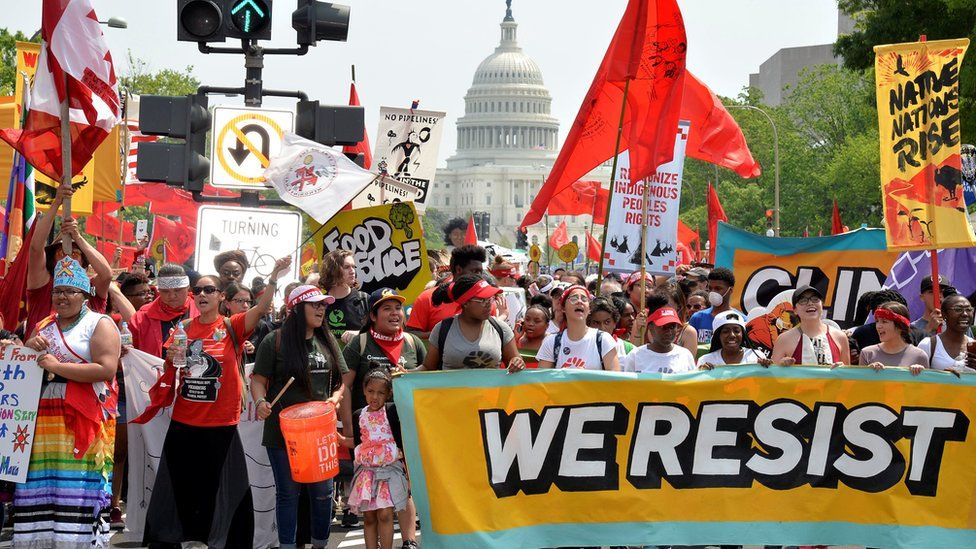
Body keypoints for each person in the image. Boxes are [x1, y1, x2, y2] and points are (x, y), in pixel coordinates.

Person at [137, 256, 291, 549]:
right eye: (199, 290)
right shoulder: (183, 327)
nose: (203, 294)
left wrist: (273, 277)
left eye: (210, 290)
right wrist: (172, 358)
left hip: (221, 426)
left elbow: (259, 308)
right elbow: (172, 361)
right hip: (185, 423)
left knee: (226, 492)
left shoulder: (232, 326)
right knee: (180, 490)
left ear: (222, 297)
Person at [18, 257, 121, 548]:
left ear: (84, 294)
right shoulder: (43, 325)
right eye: (57, 291)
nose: (62, 297)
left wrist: (56, 365)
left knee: (74, 482)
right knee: (46, 479)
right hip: (44, 416)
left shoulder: (99, 323)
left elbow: (106, 369)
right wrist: (28, 347)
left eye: (69, 291)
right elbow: (30, 365)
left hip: (82, 413)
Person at [251, 285, 347, 549]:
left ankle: (320, 544)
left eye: (323, 305)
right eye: (314, 304)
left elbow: (342, 381)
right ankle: (287, 546)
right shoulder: (275, 340)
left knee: (323, 493)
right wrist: (260, 401)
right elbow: (258, 380)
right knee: (288, 494)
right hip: (282, 433)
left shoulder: (327, 340)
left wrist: (335, 399)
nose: (321, 309)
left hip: (319, 432)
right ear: (297, 308)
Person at [341, 288, 422, 547]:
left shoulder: (413, 343)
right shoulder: (360, 343)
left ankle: (409, 541)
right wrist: (352, 431)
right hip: (372, 437)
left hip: (407, 429)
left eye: (398, 308)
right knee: (378, 502)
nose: (394, 313)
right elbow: (344, 387)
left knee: (405, 483)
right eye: (386, 308)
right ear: (373, 315)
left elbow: (428, 381)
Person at [26, 186, 112, 338]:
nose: (67, 256)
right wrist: (56, 202)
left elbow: (106, 274)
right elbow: (35, 248)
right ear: (52, 259)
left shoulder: (92, 289)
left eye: (75, 252)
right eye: (61, 252)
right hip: (40, 358)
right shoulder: (43, 285)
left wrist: (78, 237)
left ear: (85, 262)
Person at [339, 368, 411, 549]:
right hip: (366, 473)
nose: (375, 397)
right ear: (363, 390)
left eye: (381, 393)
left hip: (389, 471)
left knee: (385, 514)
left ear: (389, 394)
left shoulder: (392, 412)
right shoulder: (359, 415)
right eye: (370, 391)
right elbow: (358, 443)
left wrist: (409, 475)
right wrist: (339, 440)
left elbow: (403, 442)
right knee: (369, 516)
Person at [420, 274, 525, 372]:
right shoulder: (442, 329)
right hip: (451, 391)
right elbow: (428, 367)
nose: (489, 304)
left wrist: (517, 363)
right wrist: (405, 373)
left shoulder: (501, 328)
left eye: (490, 299)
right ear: (465, 302)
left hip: (491, 392)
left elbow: (516, 362)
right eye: (483, 300)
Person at [407, 245, 488, 339]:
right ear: (458, 270)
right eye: (475, 271)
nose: (479, 277)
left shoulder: (487, 300)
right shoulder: (427, 298)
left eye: (480, 272)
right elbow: (411, 335)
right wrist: (442, 333)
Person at [537, 286, 619, 370]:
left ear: (589, 309)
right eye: (574, 298)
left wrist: (583, 377)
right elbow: (542, 380)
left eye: (584, 299)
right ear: (563, 308)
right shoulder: (551, 342)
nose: (579, 301)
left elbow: (615, 380)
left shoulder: (604, 340)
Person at [129, 264, 198, 359]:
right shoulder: (141, 318)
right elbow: (127, 356)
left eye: (177, 290)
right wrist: (125, 351)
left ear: (188, 287)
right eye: (166, 291)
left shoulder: (202, 310)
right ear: (159, 290)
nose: (172, 296)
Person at [771, 285, 851, 367]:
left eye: (815, 299)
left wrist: (842, 369)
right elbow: (772, 376)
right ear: (795, 310)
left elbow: (849, 377)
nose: (810, 303)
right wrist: (781, 366)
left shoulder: (840, 337)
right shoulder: (784, 339)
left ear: (822, 305)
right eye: (803, 300)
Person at [859, 301, 928, 375]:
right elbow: (859, 385)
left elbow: (926, 385)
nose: (878, 326)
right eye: (877, 321)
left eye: (884, 322)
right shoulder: (867, 354)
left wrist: (919, 374)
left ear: (900, 326)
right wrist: (868, 373)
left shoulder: (919, 356)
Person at [622, 307, 696, 373]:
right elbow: (628, 385)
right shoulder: (635, 355)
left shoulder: (685, 355)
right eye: (664, 327)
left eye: (672, 327)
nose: (669, 331)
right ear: (651, 328)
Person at [320, 250, 370, 345]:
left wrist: (360, 334)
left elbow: (381, 333)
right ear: (332, 271)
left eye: (353, 267)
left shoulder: (365, 300)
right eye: (346, 267)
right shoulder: (320, 303)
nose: (352, 271)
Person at [917, 294, 976, 372]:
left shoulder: (974, 346)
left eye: (969, 310)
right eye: (958, 309)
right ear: (944, 314)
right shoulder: (928, 345)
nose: (965, 314)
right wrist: (945, 376)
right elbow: (916, 379)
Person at [697, 310, 770, 369]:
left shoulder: (756, 357)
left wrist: (766, 368)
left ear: (743, 334)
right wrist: (701, 373)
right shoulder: (705, 361)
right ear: (718, 336)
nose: (732, 335)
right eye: (725, 331)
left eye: (736, 331)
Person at [689, 267, 742, 345]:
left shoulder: (740, 320)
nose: (713, 292)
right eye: (710, 288)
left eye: (718, 288)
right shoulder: (697, 318)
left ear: (730, 290)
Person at [491, 256, 526, 328]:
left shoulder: (491, 296)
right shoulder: (490, 300)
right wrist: (503, 315)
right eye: (513, 278)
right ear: (506, 280)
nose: (515, 282)